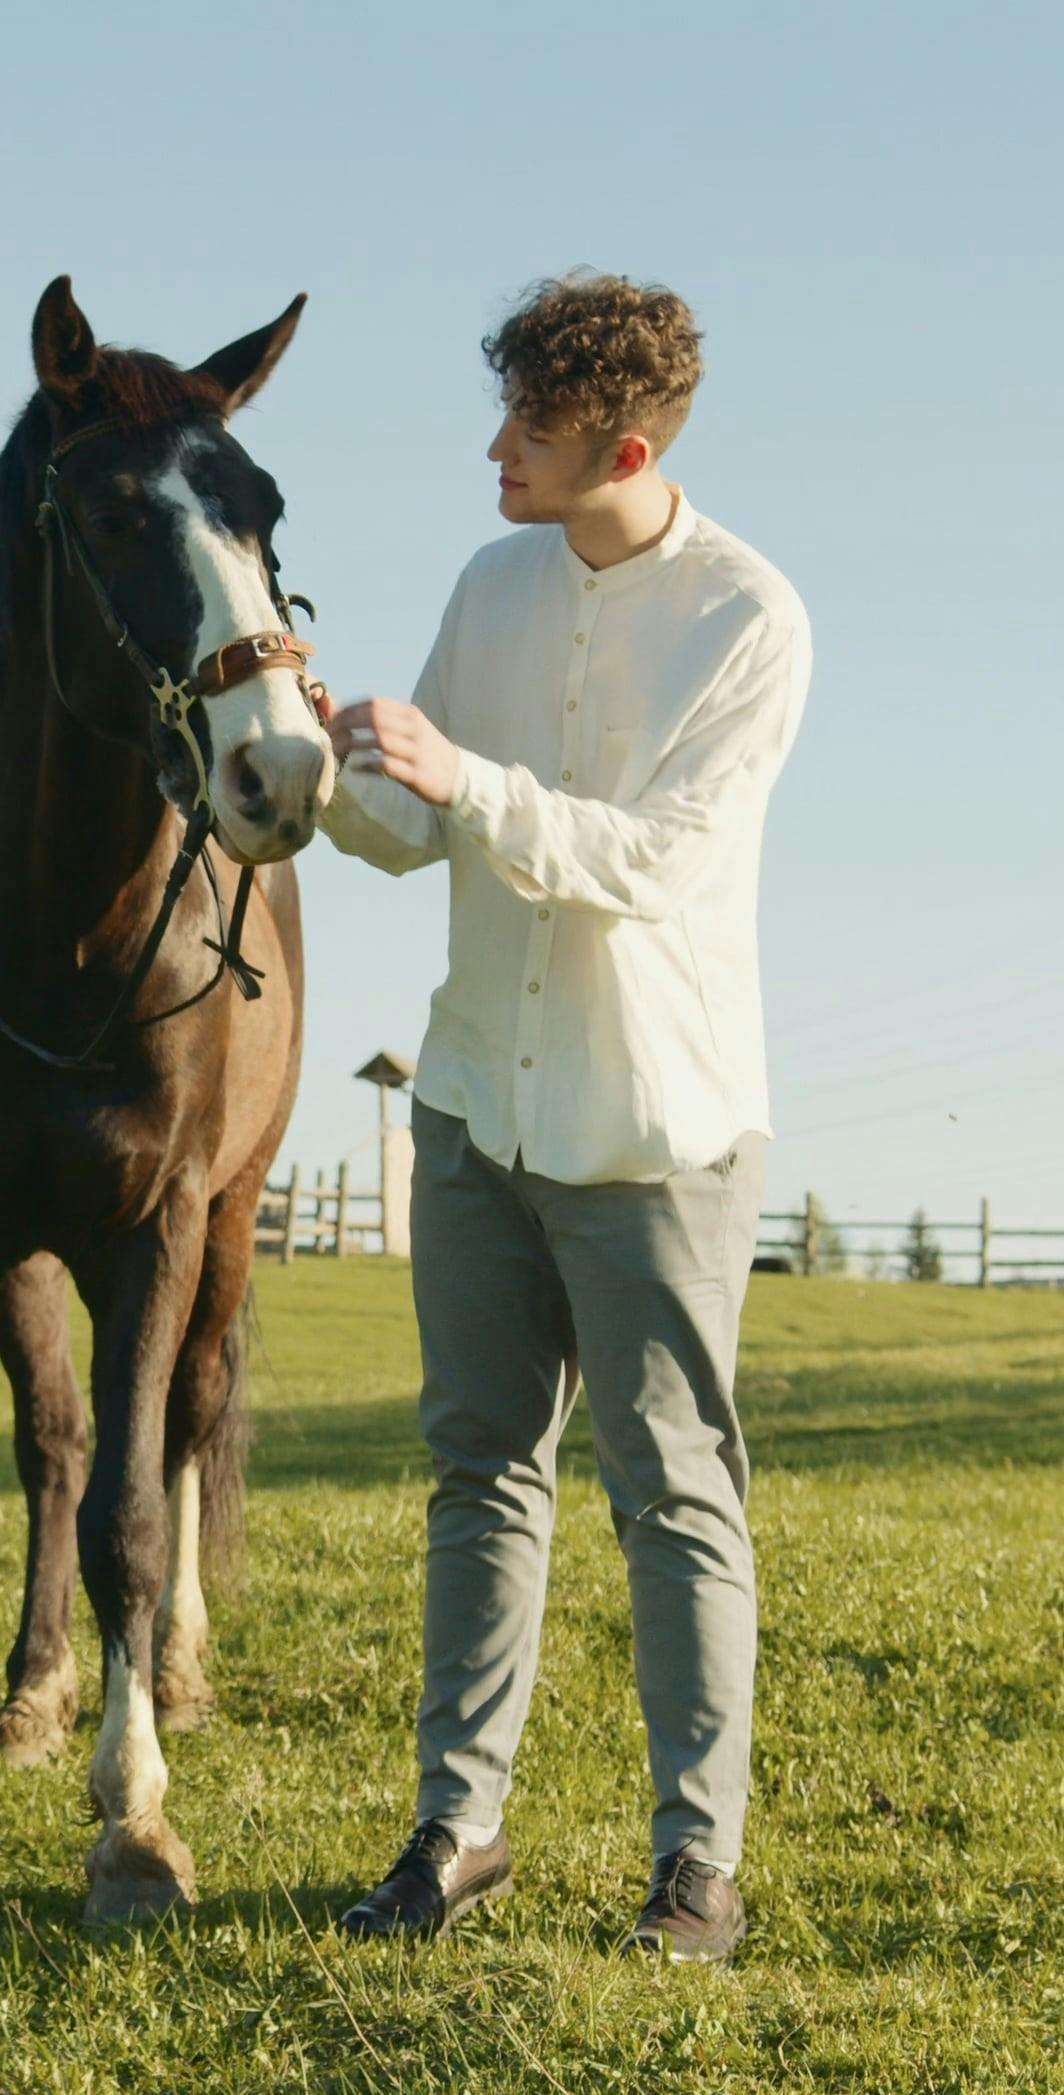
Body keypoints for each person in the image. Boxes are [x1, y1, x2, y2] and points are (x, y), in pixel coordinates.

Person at [313, 272, 810, 1964]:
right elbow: (410, 827)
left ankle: (700, 1869)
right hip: (472, 1106)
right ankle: (457, 1833)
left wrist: (469, 782)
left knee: (672, 1493)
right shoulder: (492, 582)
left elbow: (658, 865)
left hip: (653, 1127)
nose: (492, 452)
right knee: (479, 1477)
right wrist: (332, 763)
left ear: (628, 442)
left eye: (526, 425)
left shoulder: (753, 621)